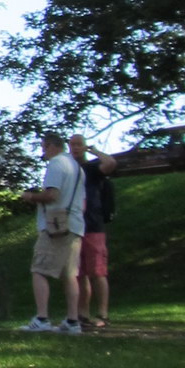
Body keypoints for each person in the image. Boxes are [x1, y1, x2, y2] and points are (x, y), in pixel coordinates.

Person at [19, 129, 85, 332]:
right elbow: (82, 202)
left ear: (50, 146)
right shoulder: (77, 168)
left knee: (39, 270)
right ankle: (73, 321)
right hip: (75, 225)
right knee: (69, 274)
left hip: (55, 226)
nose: (43, 152)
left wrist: (30, 196)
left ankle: (42, 318)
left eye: (44, 148)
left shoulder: (56, 164)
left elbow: (52, 195)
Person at [68, 132, 118, 331]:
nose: (75, 147)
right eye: (72, 144)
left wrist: (94, 151)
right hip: (74, 227)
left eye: (79, 144)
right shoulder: (69, 170)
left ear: (84, 146)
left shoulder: (92, 168)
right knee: (79, 274)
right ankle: (83, 314)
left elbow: (111, 163)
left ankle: (103, 314)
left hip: (93, 226)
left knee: (97, 272)